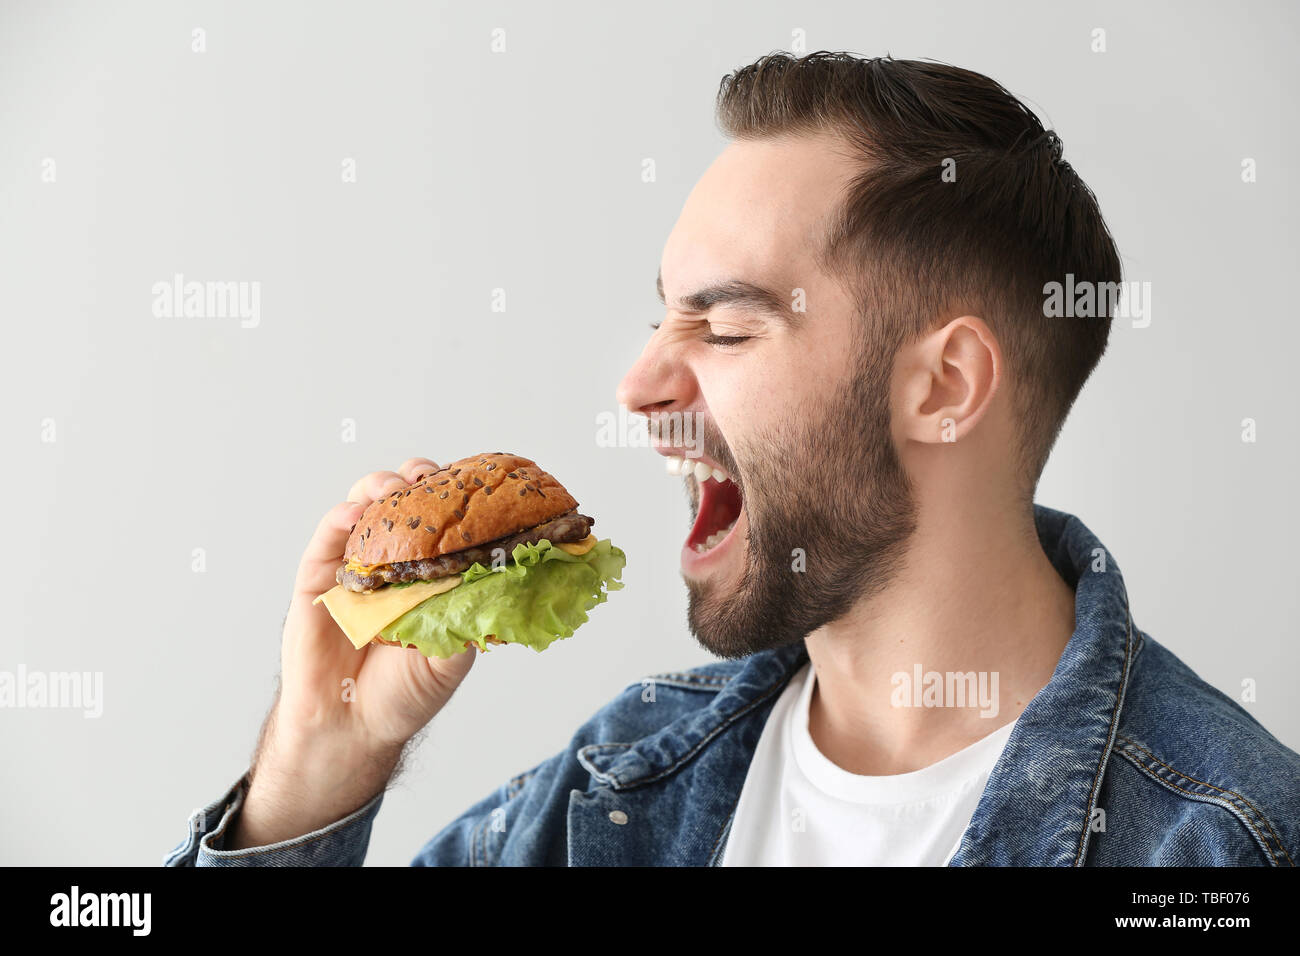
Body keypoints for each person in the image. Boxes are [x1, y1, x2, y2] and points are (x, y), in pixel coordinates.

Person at [166, 52, 1299, 867]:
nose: (638, 384)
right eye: (664, 316)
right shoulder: (618, 777)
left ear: (944, 386)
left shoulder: (1224, 838)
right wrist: (313, 772)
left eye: (728, 324)